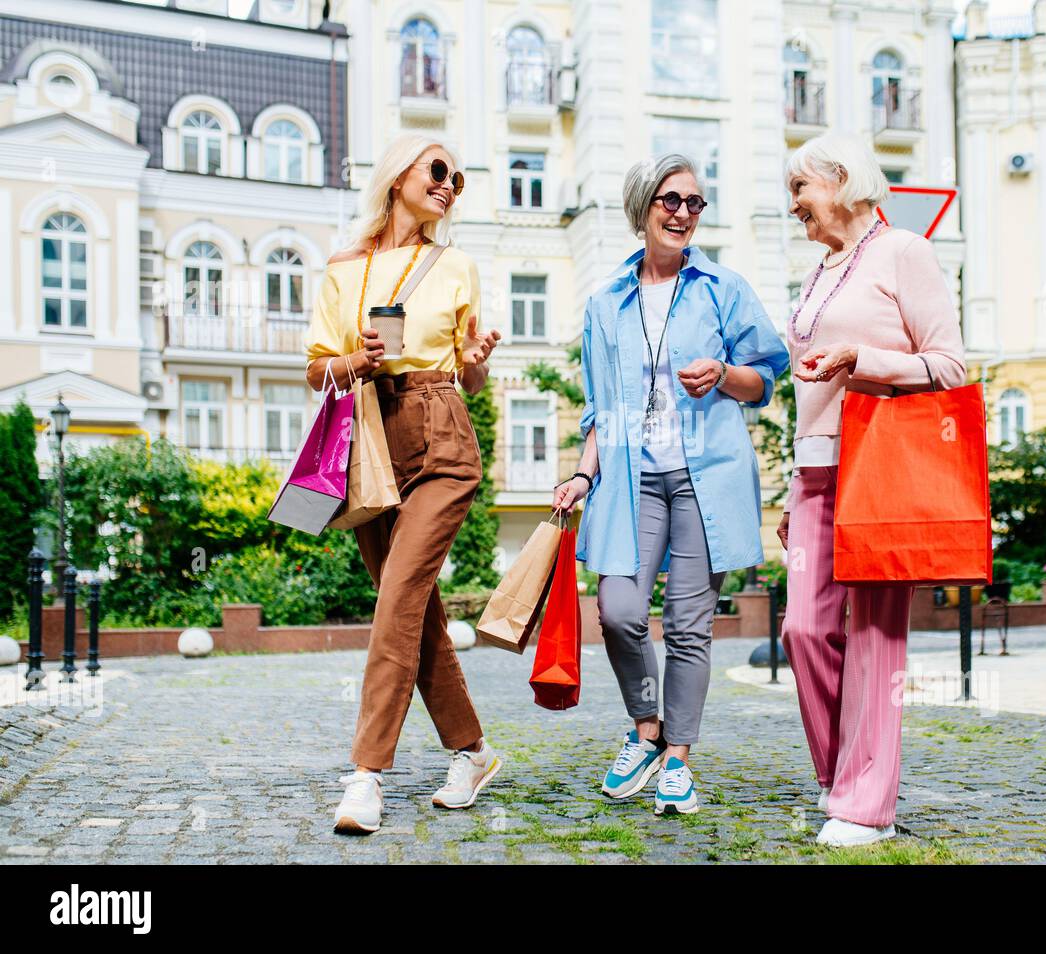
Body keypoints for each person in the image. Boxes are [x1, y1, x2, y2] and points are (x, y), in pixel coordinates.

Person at [553, 154, 789, 816]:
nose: (683, 212)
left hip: (704, 477)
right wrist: (579, 474)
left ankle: (677, 757)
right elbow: (600, 408)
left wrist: (724, 373)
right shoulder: (605, 304)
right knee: (620, 613)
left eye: (694, 202)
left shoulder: (723, 288)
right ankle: (646, 727)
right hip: (630, 480)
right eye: (670, 200)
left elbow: (768, 375)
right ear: (642, 207)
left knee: (689, 627)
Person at [303, 134, 504, 834]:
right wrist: (359, 357)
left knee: (397, 598)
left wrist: (476, 361)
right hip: (370, 440)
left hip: (443, 432)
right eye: (439, 170)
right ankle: (472, 752)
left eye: (460, 178)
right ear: (397, 177)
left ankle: (366, 774)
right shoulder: (343, 270)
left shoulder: (456, 265)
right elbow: (316, 370)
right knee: (418, 614)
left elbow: (470, 378)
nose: (450, 184)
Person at [778, 133, 966, 847]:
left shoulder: (903, 252)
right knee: (803, 630)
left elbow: (949, 364)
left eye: (801, 186)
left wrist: (869, 359)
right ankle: (842, 778)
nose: (792, 203)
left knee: (876, 643)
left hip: (880, 467)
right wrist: (793, 486)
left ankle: (866, 806)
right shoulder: (820, 271)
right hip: (816, 473)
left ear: (844, 179)